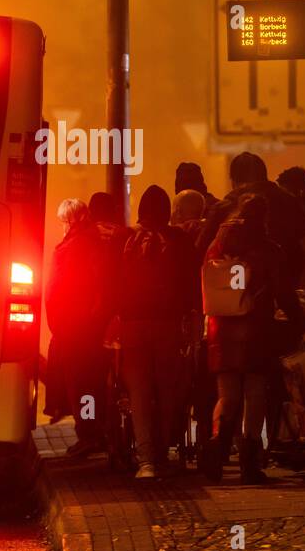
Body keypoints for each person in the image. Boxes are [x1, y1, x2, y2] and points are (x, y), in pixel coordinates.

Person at [200, 193, 305, 485]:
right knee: (254, 393)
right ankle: (249, 461)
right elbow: (283, 292)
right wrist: (299, 321)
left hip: (220, 327)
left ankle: (216, 448)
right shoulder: (266, 249)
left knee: (228, 395)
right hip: (255, 329)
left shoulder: (216, 246)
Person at [117, 186, 201, 479]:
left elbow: (109, 284)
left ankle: (146, 460)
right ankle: (164, 451)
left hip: (131, 326)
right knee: (167, 390)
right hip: (168, 326)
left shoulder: (124, 238)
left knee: (138, 393)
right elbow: (193, 285)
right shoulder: (179, 240)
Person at [45, 197, 114, 458]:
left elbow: (58, 288)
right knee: (93, 382)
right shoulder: (96, 241)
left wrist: (58, 322)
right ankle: (98, 430)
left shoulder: (72, 246)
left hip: (74, 326)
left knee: (80, 384)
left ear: (69, 220)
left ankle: (89, 434)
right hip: (92, 325)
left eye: (62, 221)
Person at [197, 152, 305, 281]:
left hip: (236, 284)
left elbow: (200, 251)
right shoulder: (289, 202)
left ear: (233, 181)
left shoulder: (224, 209)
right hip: (284, 281)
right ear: (265, 177)